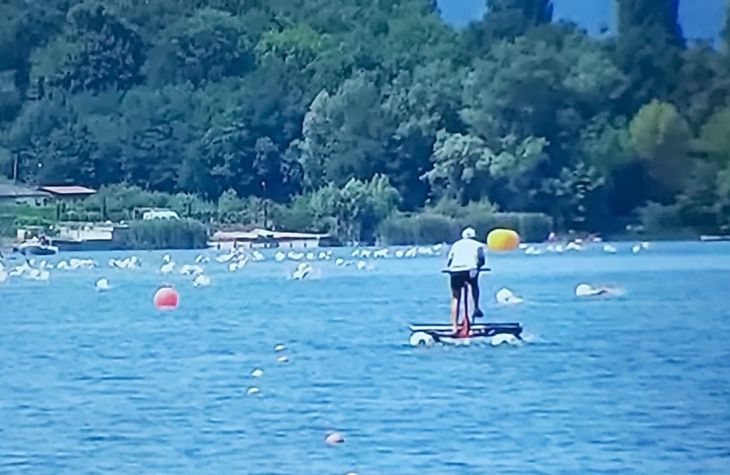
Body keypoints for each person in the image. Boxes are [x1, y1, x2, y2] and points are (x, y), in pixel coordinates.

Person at [446, 227, 486, 334]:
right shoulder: (478, 245)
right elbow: (481, 260)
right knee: (474, 285)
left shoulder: (456, 244)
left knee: (455, 297)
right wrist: (479, 266)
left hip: (455, 271)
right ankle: (476, 307)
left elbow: (449, 261)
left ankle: (454, 326)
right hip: (469, 270)